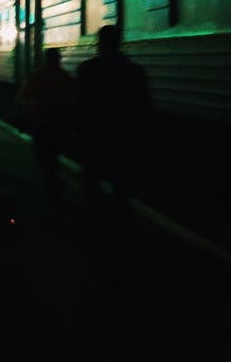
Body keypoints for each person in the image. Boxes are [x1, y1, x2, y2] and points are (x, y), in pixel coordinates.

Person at [75, 24, 151, 227]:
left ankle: (94, 222)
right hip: (124, 136)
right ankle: (121, 223)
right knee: (122, 183)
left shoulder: (87, 69)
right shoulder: (135, 72)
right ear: (119, 43)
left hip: (94, 135)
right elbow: (143, 108)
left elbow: (79, 105)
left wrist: (77, 133)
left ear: (99, 43)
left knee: (91, 181)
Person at [13, 47, 75, 202]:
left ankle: (50, 184)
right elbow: (74, 100)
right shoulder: (65, 77)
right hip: (59, 124)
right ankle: (53, 183)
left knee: (44, 155)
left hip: (41, 124)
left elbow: (21, 98)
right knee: (54, 154)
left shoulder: (36, 76)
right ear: (58, 59)